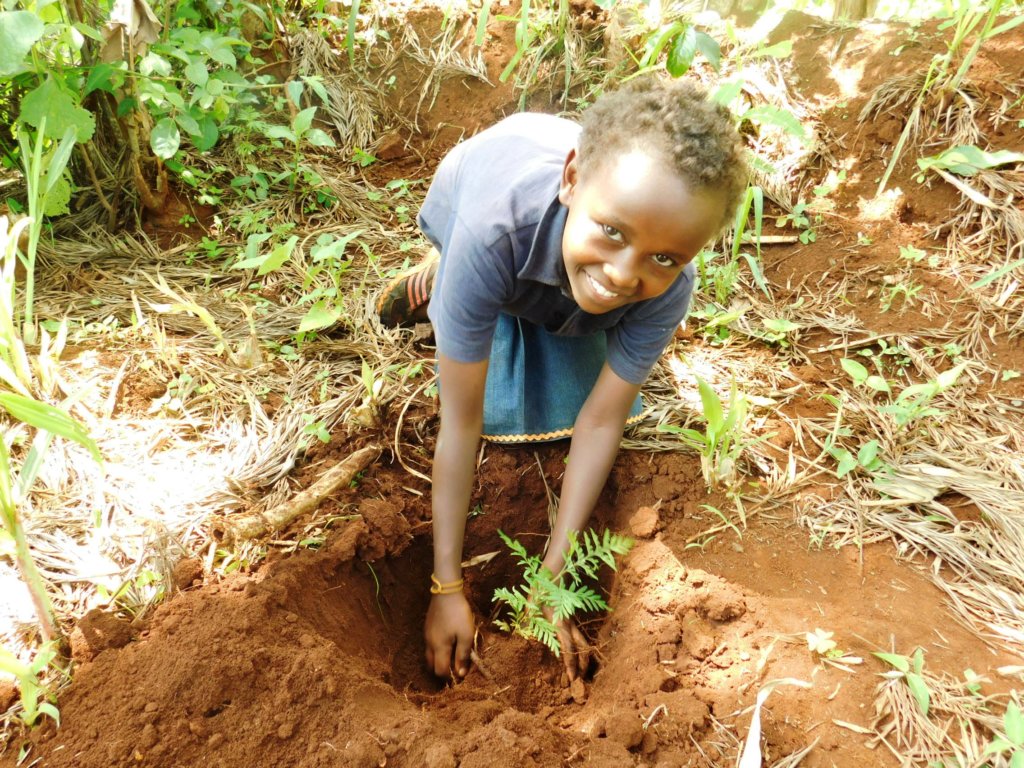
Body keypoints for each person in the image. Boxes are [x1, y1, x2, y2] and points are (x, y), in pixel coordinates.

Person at [377, 76, 748, 682]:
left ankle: (511, 292)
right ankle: (445, 277)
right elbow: (461, 422)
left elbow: (602, 419)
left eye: (664, 257)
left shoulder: (667, 290)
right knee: (488, 337)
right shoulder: (492, 230)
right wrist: (446, 585)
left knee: (582, 357)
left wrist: (553, 578)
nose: (627, 273)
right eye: (615, 231)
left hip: (553, 239)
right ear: (572, 180)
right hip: (481, 196)